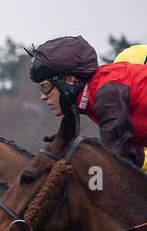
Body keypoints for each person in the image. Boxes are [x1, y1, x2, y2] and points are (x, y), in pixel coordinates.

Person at [30, 36, 147, 168]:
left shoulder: (105, 93)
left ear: (70, 80)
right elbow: (132, 156)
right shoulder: (96, 93)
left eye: (45, 86)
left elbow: (115, 166)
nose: (43, 97)